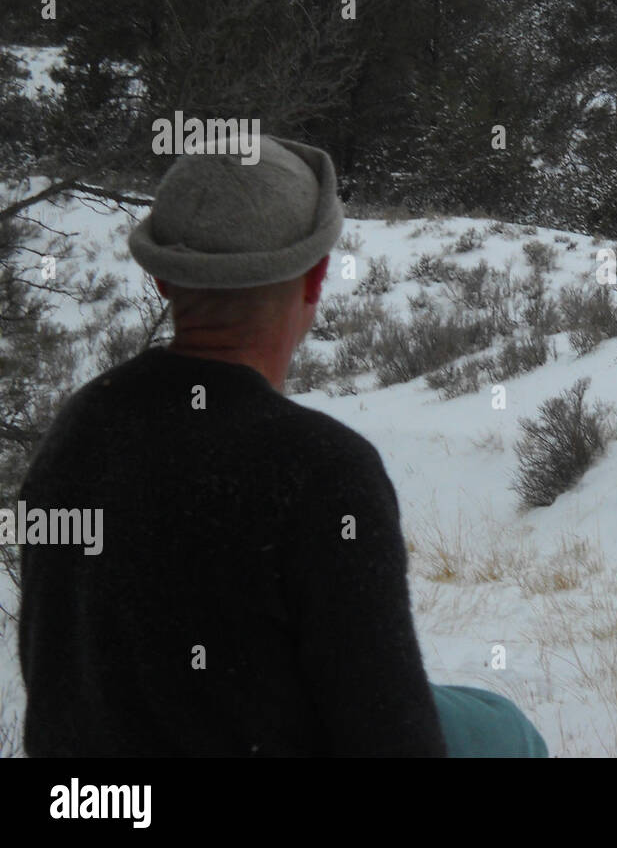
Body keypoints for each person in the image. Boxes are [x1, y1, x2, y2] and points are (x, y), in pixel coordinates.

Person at [18, 135, 547, 758]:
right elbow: (391, 735)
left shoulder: (82, 421)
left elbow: (51, 667)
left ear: (162, 280)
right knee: (507, 735)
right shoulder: (321, 470)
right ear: (316, 276)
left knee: (485, 717)